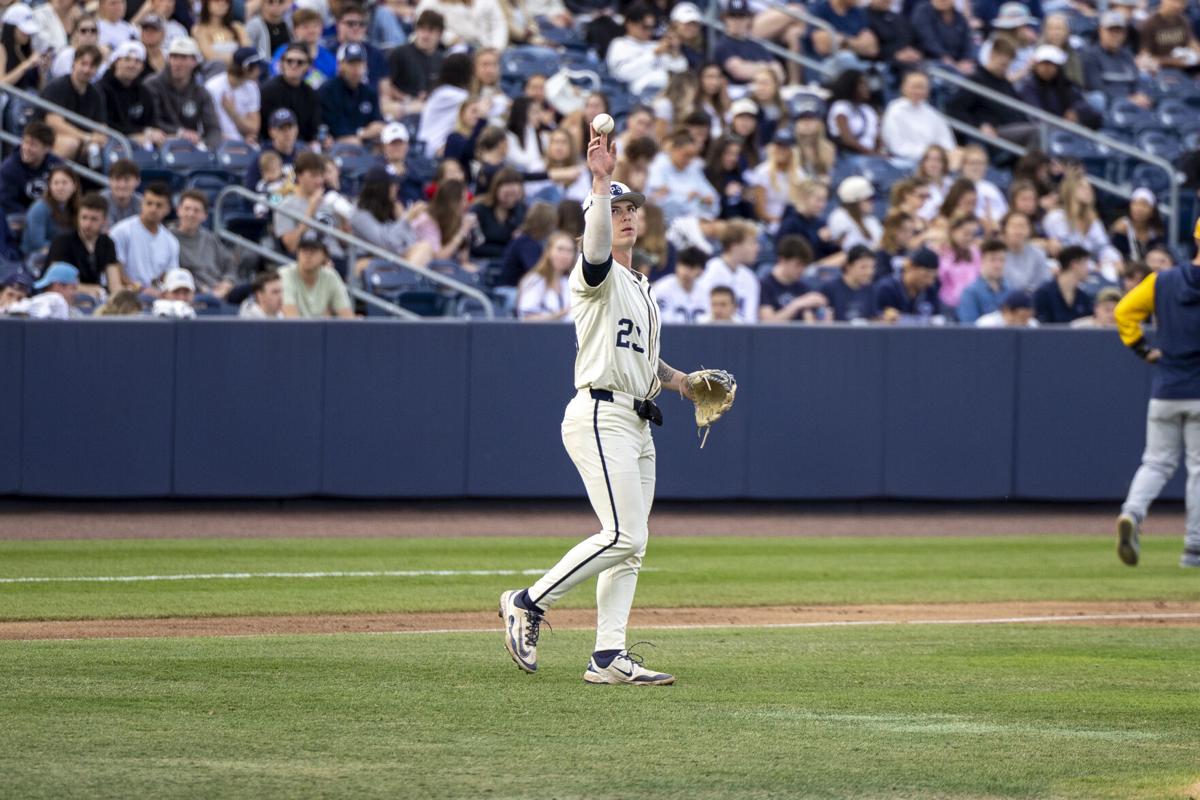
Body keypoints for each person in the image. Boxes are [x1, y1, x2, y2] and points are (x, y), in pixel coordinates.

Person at [499, 123, 720, 687]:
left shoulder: (642, 287)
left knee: (632, 545)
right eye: (617, 208)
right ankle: (527, 600)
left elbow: (648, 364)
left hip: (638, 418)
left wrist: (684, 383)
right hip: (600, 413)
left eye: (631, 208)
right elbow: (594, 246)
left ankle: (608, 656)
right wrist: (600, 181)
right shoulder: (592, 274)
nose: (626, 214)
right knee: (623, 533)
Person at [1114, 226, 1200, 567]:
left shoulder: (1162, 280)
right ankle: (1194, 548)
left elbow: (1123, 312)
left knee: (1156, 462)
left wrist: (1142, 349)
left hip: (1166, 387)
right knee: (1198, 468)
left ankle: (1132, 514)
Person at [946, 37, 1036, 146]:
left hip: (1015, 130)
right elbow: (954, 109)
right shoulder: (976, 80)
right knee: (1037, 132)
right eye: (1002, 64)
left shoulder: (1005, 83)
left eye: (1008, 65)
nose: (1004, 68)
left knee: (1047, 132)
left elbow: (1019, 112)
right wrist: (979, 125)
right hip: (995, 134)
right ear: (992, 55)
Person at [144, 37, 223, 151]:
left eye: (184, 58)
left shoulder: (201, 92)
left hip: (190, 146)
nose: (178, 63)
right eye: (174, 57)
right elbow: (153, 120)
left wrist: (211, 148)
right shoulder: (152, 85)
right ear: (168, 59)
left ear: (195, 62)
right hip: (158, 142)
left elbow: (213, 127)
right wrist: (180, 132)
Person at [38, 44, 107, 162]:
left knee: (103, 149)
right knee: (70, 143)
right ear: (74, 63)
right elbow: (54, 123)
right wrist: (87, 138)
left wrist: (97, 139)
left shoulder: (96, 93)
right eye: (83, 64)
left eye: (92, 66)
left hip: (82, 141)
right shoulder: (57, 86)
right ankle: (47, 178)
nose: (87, 70)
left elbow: (101, 127)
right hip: (44, 138)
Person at [108, 182, 179, 292]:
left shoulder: (171, 241)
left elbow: (169, 276)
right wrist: (140, 288)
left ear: (168, 210)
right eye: (149, 203)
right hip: (126, 296)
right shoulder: (120, 231)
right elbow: (115, 270)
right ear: (142, 204)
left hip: (158, 297)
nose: (153, 209)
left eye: (159, 205)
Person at [605, 2, 686, 95]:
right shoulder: (619, 44)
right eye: (645, 27)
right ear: (630, 24)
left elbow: (681, 72)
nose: (649, 31)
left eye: (652, 27)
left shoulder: (656, 45)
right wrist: (654, 54)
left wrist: (675, 54)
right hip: (632, 96)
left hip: (664, 94)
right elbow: (622, 74)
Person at [47, 193, 120, 296]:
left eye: (94, 219)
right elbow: (56, 283)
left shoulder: (107, 243)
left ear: (104, 221)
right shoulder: (62, 242)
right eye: (84, 218)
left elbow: (114, 285)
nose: (87, 224)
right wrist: (91, 289)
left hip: (95, 298)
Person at [98, 41, 166, 149]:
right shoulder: (101, 89)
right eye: (127, 60)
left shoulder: (144, 92)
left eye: (137, 61)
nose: (132, 65)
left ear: (142, 67)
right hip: (110, 141)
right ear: (116, 62)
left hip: (142, 140)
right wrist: (140, 133)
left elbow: (152, 122)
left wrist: (150, 133)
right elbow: (105, 125)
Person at [170, 190, 238, 298]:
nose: (191, 214)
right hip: (192, 293)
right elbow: (174, 273)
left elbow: (229, 265)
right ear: (178, 211)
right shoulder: (169, 239)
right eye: (187, 209)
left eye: (196, 210)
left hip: (221, 289)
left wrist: (227, 283)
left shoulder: (210, 238)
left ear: (205, 216)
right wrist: (203, 289)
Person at [645, 130, 720, 223]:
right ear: (674, 150)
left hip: (697, 219)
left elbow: (712, 198)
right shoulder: (658, 165)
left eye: (692, 156)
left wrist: (702, 198)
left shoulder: (693, 169)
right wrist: (686, 197)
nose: (689, 160)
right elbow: (658, 198)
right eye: (686, 155)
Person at [1017, 45, 1100, 129]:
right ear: (1036, 66)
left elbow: (1080, 102)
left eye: (1051, 64)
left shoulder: (1065, 84)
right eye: (1042, 64)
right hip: (1045, 131)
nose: (1046, 68)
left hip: (1069, 128)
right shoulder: (1029, 87)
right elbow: (1035, 115)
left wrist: (1076, 111)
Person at [880, 71, 956, 162]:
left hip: (934, 158)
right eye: (914, 87)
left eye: (922, 87)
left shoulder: (933, 114)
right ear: (903, 88)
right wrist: (928, 153)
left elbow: (947, 142)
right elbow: (897, 146)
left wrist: (938, 154)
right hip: (905, 160)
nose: (918, 91)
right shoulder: (895, 110)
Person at [1082, 12, 1150, 112]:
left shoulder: (1127, 55)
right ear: (1101, 31)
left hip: (1132, 106)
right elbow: (1097, 88)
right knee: (1097, 98)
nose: (1115, 35)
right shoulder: (1091, 56)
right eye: (1111, 30)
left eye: (1119, 31)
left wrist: (1140, 95)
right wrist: (1128, 99)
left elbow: (1136, 82)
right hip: (1108, 108)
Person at [318, 43, 384, 143]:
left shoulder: (369, 92)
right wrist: (362, 133)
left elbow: (378, 123)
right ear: (340, 65)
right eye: (351, 63)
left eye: (359, 63)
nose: (356, 68)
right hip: (335, 144)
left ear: (365, 65)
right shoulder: (328, 90)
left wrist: (364, 133)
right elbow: (334, 127)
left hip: (365, 141)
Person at [697, 219, 761, 322]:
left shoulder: (750, 277)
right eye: (752, 243)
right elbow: (703, 315)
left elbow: (751, 320)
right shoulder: (710, 272)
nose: (757, 248)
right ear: (735, 245)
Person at [280, 230, 354, 318]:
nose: (307, 255)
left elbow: (347, 315)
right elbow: (290, 316)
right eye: (303, 250)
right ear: (297, 254)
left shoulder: (331, 276)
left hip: (321, 330)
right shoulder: (285, 274)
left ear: (325, 256)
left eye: (313, 251)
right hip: (294, 331)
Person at [260, 42, 323, 143]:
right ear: (282, 63)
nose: (294, 65)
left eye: (300, 62)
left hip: (303, 146)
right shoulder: (267, 90)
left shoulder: (310, 93)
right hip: (272, 145)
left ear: (308, 66)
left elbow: (313, 129)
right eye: (289, 61)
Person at [385, 9, 444, 114]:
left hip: (431, 109)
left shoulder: (441, 59)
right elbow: (386, 85)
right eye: (421, 29)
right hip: (403, 108)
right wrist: (408, 99)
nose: (425, 35)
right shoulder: (400, 53)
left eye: (430, 30)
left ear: (439, 34)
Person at [758, 235, 828, 323]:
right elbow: (767, 323)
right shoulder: (765, 286)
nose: (802, 270)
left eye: (804, 266)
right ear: (782, 260)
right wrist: (797, 305)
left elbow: (810, 324)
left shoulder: (803, 288)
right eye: (798, 265)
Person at [0, 121, 59, 222]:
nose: (26, 148)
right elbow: (6, 202)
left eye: (33, 145)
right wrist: (33, 217)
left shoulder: (57, 165)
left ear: (47, 149)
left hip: (49, 217)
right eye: (25, 142)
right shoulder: (9, 168)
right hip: (18, 217)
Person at [714, 0, 783, 85]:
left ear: (748, 19)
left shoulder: (756, 44)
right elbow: (739, 71)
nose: (737, 21)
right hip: (736, 92)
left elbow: (780, 73)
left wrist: (752, 67)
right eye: (733, 16)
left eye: (741, 16)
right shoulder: (723, 45)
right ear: (725, 19)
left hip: (761, 89)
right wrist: (766, 68)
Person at [206, 46, 263, 145]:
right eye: (257, 66)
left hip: (244, 143)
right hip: (218, 144)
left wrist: (233, 113)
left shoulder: (252, 87)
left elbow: (254, 128)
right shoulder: (212, 87)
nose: (260, 70)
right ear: (247, 68)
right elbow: (208, 128)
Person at [21, 165, 78, 257]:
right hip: (37, 258)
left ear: (74, 186)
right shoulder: (39, 208)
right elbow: (38, 243)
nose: (60, 187)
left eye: (65, 183)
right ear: (50, 186)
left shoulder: (76, 208)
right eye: (56, 183)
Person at [470, 168, 527, 261]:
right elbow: (475, 246)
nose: (510, 200)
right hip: (480, 260)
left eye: (515, 195)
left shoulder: (522, 210)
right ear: (496, 189)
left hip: (508, 262)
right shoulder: (480, 209)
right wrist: (509, 251)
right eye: (507, 194)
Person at [516, 231, 575, 321]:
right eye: (560, 249)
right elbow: (527, 318)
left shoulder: (570, 282)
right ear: (548, 252)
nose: (565, 255)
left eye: (570, 251)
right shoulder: (535, 280)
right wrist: (559, 314)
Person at [270, 7, 336, 86]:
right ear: (294, 30)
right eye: (305, 27)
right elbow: (276, 78)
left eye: (315, 26)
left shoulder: (329, 57)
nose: (311, 31)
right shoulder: (283, 52)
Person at [875, 246, 942, 322]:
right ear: (910, 266)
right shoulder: (886, 289)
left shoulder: (931, 291)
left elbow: (936, 319)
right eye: (925, 276)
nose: (929, 282)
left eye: (933, 278)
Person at [911, 0, 975, 74]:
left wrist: (966, 60)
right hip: (929, 61)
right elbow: (927, 39)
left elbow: (967, 43)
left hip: (957, 63)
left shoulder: (960, 18)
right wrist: (945, 58)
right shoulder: (923, 11)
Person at [1033, 245, 1093, 323]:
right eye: (1085, 264)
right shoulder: (1043, 294)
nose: (1088, 269)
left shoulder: (1084, 298)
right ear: (1074, 264)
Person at [826, 69, 881, 155]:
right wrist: (871, 153)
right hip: (849, 154)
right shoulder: (841, 107)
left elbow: (877, 137)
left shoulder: (868, 109)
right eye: (863, 84)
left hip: (871, 155)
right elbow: (847, 140)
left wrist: (879, 152)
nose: (867, 88)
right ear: (851, 86)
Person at [957, 239, 1010, 324]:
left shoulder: (1011, 291)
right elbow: (968, 327)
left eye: (1002, 260)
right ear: (982, 261)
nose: (998, 265)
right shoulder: (970, 292)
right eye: (993, 260)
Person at [1137, 0, 1200, 73]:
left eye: (1182, 3)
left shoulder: (1183, 21)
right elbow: (1144, 57)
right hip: (1159, 71)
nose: (1178, 6)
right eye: (1174, 1)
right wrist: (1171, 61)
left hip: (1183, 71)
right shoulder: (1149, 23)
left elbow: (1192, 43)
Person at [936, 214, 982, 311]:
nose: (969, 238)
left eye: (972, 235)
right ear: (953, 231)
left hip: (971, 302)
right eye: (965, 234)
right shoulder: (943, 252)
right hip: (949, 303)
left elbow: (979, 276)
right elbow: (941, 277)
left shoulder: (975, 252)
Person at [820, 244, 878, 322]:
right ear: (848, 266)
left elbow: (873, 318)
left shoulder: (871, 290)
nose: (870, 272)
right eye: (864, 267)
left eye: (872, 267)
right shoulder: (829, 289)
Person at [652, 245, 708, 324]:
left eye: (691, 267)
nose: (685, 272)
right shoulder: (663, 288)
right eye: (683, 265)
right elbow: (660, 323)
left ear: (701, 270)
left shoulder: (705, 291)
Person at [809, 0, 879, 61]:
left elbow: (872, 49)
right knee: (846, 58)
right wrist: (858, 44)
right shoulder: (819, 8)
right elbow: (822, 46)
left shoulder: (858, 12)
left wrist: (845, 42)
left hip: (858, 65)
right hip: (827, 65)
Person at [1110, 188, 1166, 264]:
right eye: (1135, 204)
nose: (1139, 209)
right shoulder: (1122, 227)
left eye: (1144, 205)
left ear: (1152, 210)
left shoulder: (1156, 232)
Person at [999, 210, 1050, 291]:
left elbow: (1044, 284)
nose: (1018, 231)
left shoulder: (1038, 254)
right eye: (1014, 226)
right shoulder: (997, 253)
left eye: (1022, 226)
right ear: (1005, 229)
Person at [6, 261, 77, 319]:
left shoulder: (72, 311)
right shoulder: (55, 299)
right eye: (73, 288)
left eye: (20, 298)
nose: (75, 293)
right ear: (57, 286)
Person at [829, 176, 882, 250]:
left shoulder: (870, 219)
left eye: (873, 198)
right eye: (869, 199)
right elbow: (849, 250)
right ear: (855, 202)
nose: (872, 202)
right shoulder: (840, 217)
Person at [193, 0, 249, 67]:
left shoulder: (238, 27)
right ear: (206, 3)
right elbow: (210, 57)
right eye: (216, 0)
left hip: (238, 73)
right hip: (212, 74)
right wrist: (239, 58)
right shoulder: (199, 29)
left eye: (226, 1)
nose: (222, 3)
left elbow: (249, 53)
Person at [99, 158, 141, 229]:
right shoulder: (99, 201)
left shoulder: (144, 203)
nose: (122, 185)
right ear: (110, 181)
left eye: (127, 180)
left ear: (137, 181)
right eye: (117, 179)